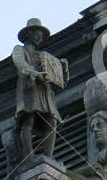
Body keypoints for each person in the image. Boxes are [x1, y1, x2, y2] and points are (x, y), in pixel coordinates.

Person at [12, 18, 68, 165]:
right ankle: (29, 158)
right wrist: (35, 74)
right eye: (37, 32)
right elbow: (20, 63)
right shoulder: (20, 49)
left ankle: (48, 159)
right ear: (28, 34)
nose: (40, 36)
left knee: (51, 120)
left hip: (44, 91)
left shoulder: (43, 56)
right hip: (29, 88)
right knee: (28, 119)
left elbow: (57, 79)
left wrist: (61, 70)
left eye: (41, 34)